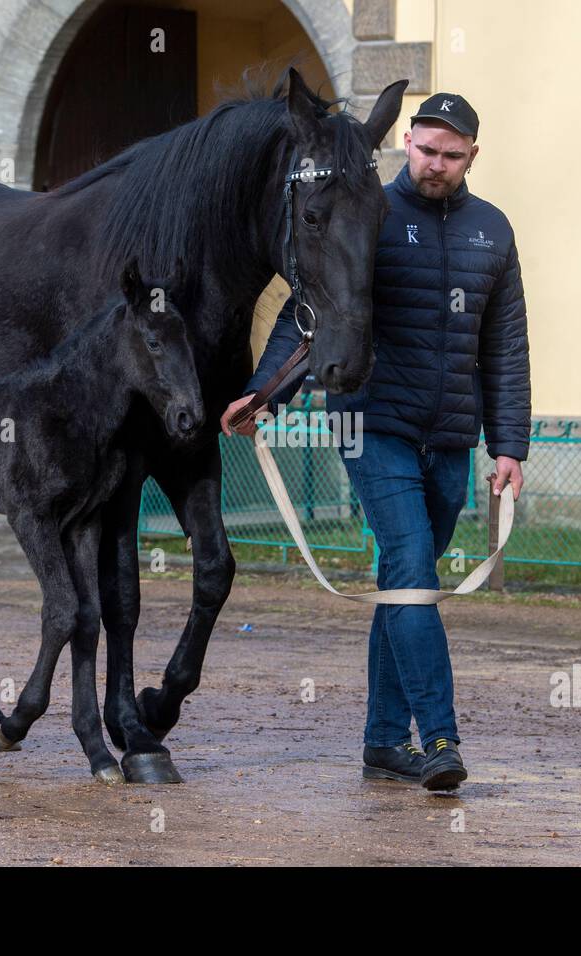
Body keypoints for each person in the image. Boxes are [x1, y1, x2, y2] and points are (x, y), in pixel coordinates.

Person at [222, 93, 531, 791]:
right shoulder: (372, 214)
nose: (436, 165)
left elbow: (505, 344)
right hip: (371, 424)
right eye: (426, 150)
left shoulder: (493, 231)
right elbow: (312, 309)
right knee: (413, 570)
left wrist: (508, 445)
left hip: (450, 436)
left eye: (452, 156)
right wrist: (265, 389)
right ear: (407, 146)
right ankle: (440, 738)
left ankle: (384, 742)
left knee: (403, 583)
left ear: (471, 158)